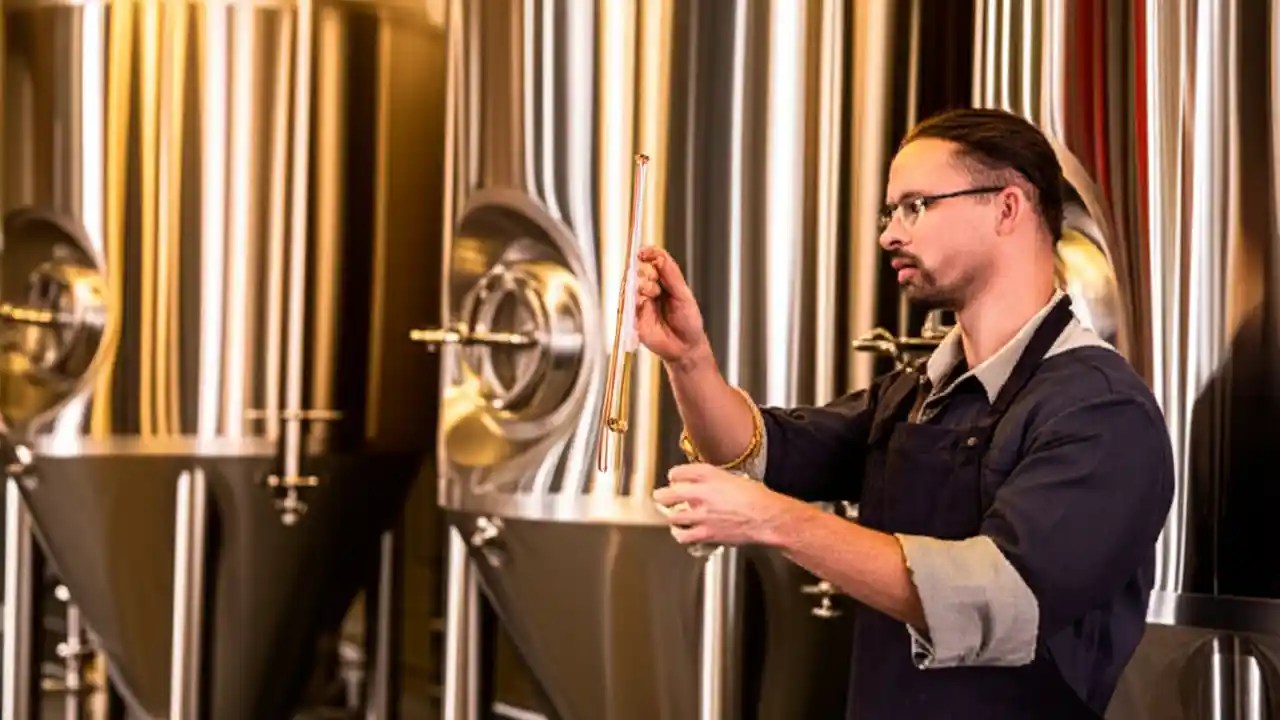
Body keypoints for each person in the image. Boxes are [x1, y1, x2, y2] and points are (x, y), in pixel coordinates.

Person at [636, 107, 1175, 719]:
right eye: (889, 212)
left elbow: (998, 596)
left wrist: (774, 523)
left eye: (916, 206)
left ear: (1006, 208)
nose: (890, 234)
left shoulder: (1101, 411)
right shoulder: (919, 392)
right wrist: (689, 359)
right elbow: (762, 454)